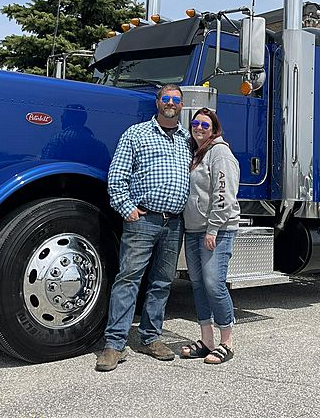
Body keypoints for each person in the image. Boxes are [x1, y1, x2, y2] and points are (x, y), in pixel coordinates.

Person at [95, 84, 192, 372]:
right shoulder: (136, 134)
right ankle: (114, 344)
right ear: (158, 102)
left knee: (162, 282)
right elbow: (117, 177)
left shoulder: (187, 139)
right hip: (143, 220)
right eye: (166, 98)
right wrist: (127, 209)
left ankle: (150, 338)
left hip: (174, 222)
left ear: (181, 105)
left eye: (176, 99)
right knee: (128, 279)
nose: (171, 103)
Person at [180, 108, 240, 365]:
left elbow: (224, 193)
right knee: (198, 284)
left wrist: (213, 228)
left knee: (214, 284)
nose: (199, 128)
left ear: (214, 129)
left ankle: (227, 342)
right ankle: (207, 340)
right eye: (195, 123)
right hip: (193, 230)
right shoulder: (196, 153)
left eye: (205, 125)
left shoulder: (220, 153)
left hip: (216, 229)